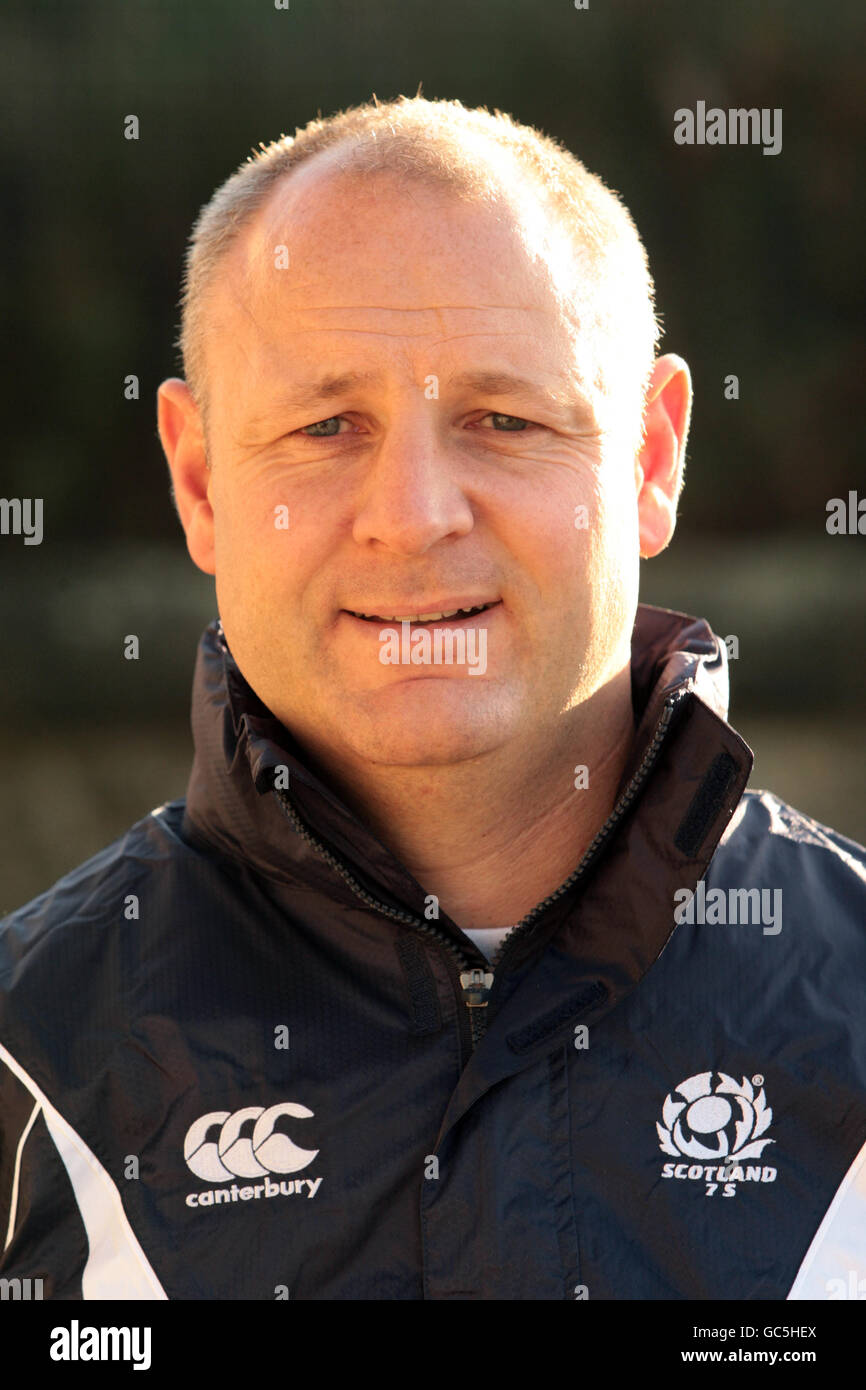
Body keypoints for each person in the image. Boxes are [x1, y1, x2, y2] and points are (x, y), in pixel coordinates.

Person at [1, 95, 864, 1302]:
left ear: (650, 458)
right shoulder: (26, 1062)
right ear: (199, 481)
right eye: (325, 424)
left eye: (501, 419)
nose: (412, 513)